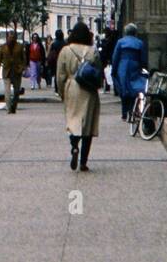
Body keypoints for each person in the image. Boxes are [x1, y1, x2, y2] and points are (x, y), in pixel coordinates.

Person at [55, 23, 101, 171]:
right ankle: (83, 162)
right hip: (88, 88)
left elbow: (60, 75)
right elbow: (98, 72)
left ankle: (74, 146)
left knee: (73, 121)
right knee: (87, 124)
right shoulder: (93, 51)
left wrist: (62, 92)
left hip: (71, 87)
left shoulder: (65, 50)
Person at [110, 22, 148, 122]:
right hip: (135, 66)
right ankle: (132, 110)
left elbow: (115, 57)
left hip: (122, 66)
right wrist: (143, 67)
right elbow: (143, 58)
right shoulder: (139, 43)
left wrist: (114, 70)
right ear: (135, 32)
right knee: (134, 89)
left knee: (124, 89)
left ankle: (124, 113)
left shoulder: (120, 42)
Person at [0, 31, 27, 114]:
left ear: (16, 38)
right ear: (7, 38)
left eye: (13, 37)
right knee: (7, 91)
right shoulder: (2, 47)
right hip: (6, 71)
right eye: (10, 37)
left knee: (17, 91)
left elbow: (24, 59)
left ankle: (14, 105)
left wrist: (23, 68)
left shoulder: (20, 46)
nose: (11, 39)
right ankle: (9, 108)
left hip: (17, 71)